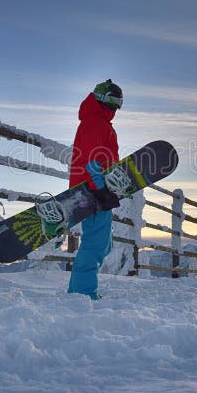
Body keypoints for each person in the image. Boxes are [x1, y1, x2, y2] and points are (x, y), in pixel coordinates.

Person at [67, 79, 124, 300]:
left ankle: (77, 290)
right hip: (93, 190)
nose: (116, 110)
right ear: (105, 100)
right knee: (95, 244)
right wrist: (99, 188)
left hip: (96, 188)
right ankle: (83, 293)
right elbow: (91, 160)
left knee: (102, 243)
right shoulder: (96, 124)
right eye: (114, 104)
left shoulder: (96, 122)